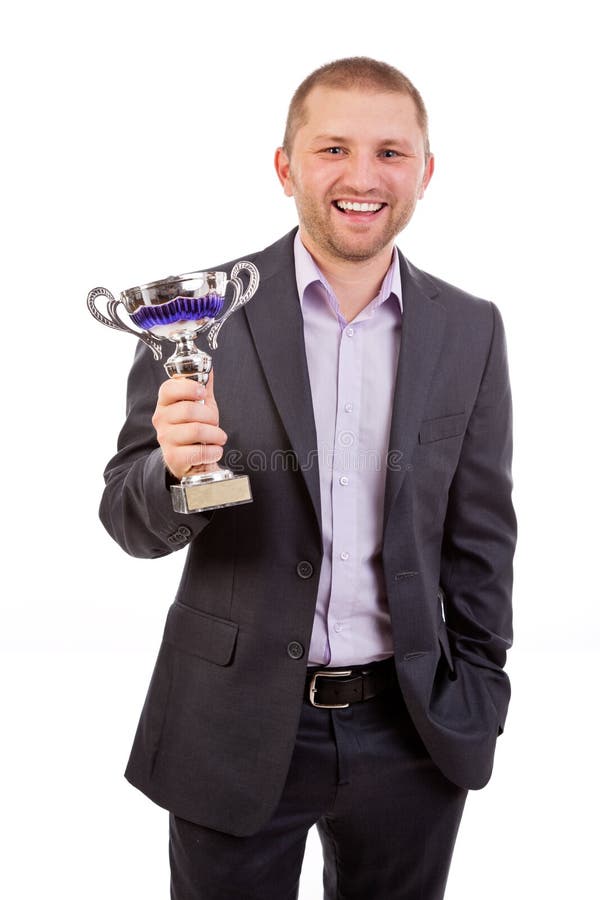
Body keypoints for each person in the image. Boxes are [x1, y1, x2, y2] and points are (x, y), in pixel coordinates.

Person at [100, 57, 516, 900]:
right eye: (333, 148)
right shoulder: (198, 314)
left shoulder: (470, 329)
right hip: (233, 723)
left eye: (391, 153)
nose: (362, 177)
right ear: (286, 167)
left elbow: (483, 533)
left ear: (425, 173)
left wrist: (480, 692)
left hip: (414, 728)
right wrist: (176, 475)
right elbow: (125, 512)